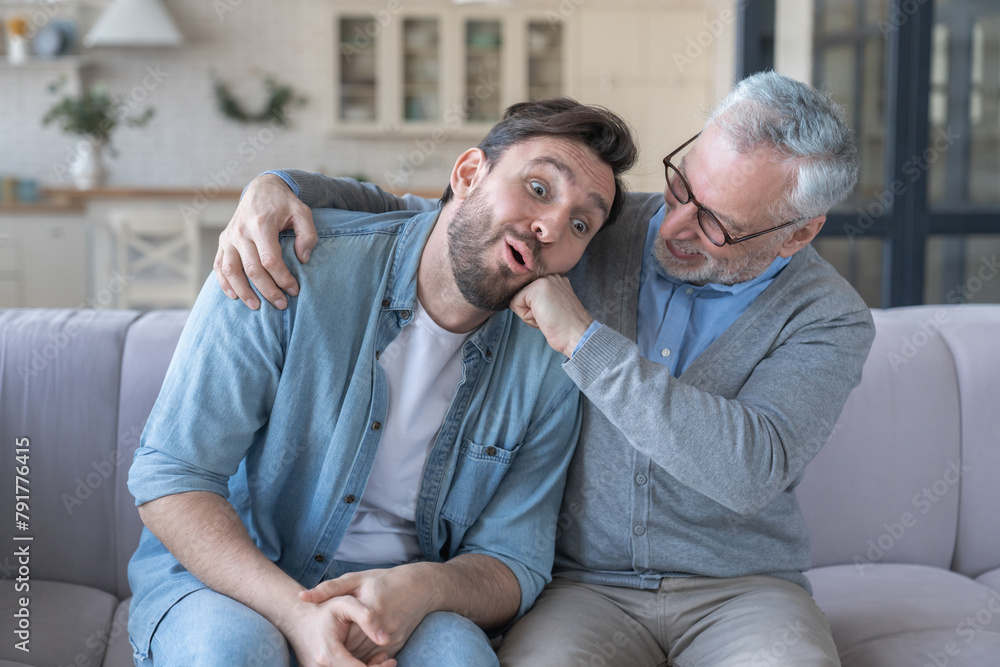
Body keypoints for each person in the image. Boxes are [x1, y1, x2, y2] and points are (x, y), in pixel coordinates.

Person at [215, 72, 876, 666]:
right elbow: (447, 220)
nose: (673, 225)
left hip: (744, 590)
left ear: (797, 233)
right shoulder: (593, 223)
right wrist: (283, 187)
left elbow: (747, 468)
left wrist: (581, 338)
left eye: (717, 226)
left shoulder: (829, 318)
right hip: (581, 585)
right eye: (681, 186)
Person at [126, 98, 638, 667]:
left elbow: (513, 560)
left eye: (580, 224)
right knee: (232, 654)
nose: (549, 227)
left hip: (402, 602)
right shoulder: (288, 266)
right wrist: (298, 614)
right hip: (234, 578)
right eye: (540, 188)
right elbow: (173, 476)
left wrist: (423, 589)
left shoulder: (551, 363)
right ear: (469, 175)